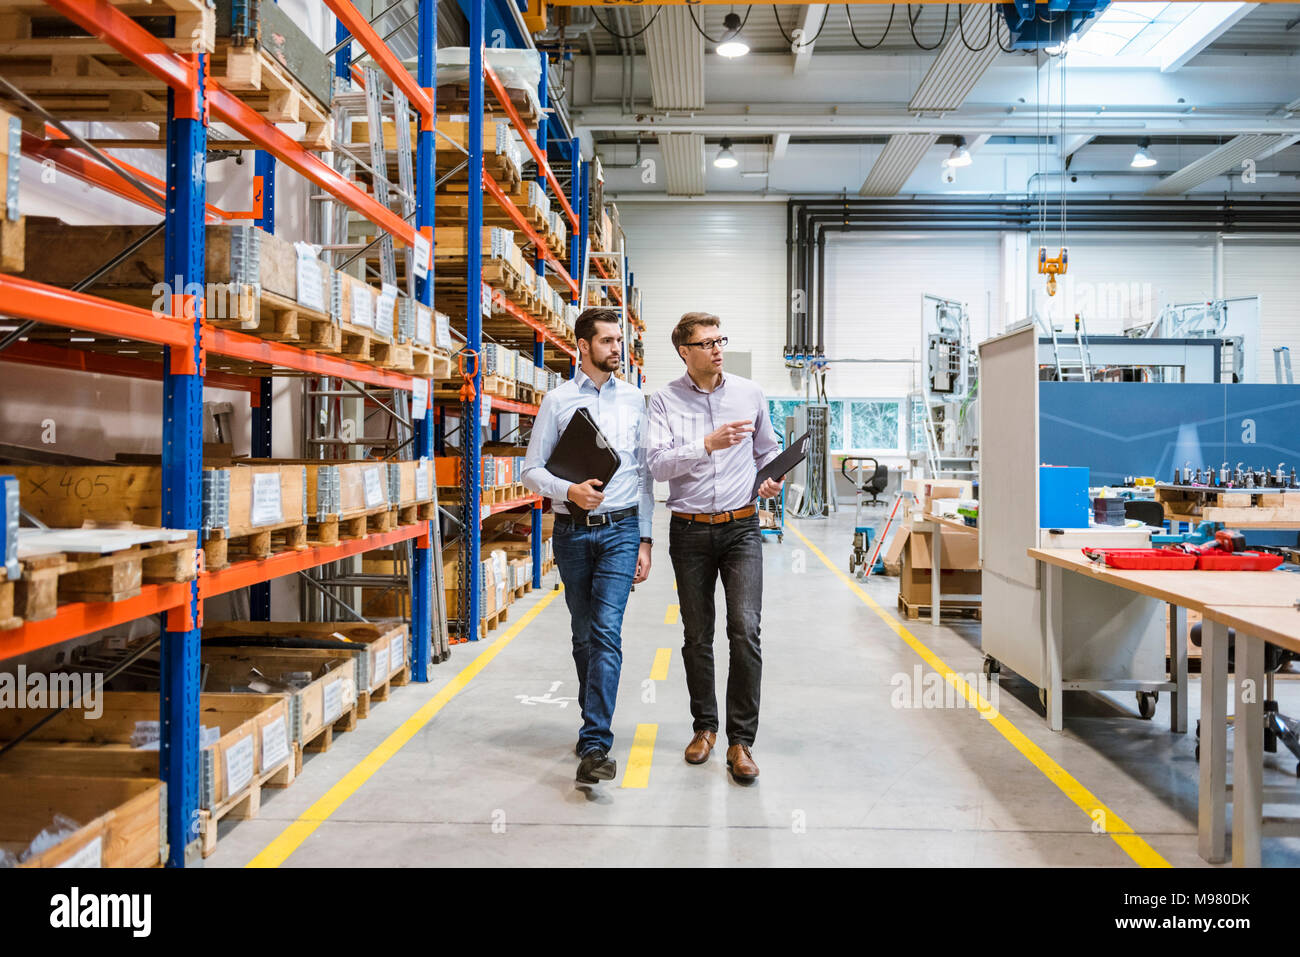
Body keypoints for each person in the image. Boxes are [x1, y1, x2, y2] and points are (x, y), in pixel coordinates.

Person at [645, 312, 782, 783]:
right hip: (689, 531)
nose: (717, 349)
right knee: (696, 635)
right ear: (684, 351)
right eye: (705, 343)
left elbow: (767, 450)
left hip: (742, 528)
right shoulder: (663, 400)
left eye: (720, 340)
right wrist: (706, 444)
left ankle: (741, 742)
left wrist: (771, 478)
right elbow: (658, 465)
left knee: (745, 629)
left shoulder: (750, 393)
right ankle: (705, 728)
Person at [522, 307, 653, 785]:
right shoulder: (557, 401)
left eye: (620, 341)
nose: (617, 349)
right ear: (582, 345)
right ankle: (591, 719)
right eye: (607, 341)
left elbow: (643, 476)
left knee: (606, 632)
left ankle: (596, 740)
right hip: (572, 531)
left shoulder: (637, 400)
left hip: (620, 529)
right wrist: (567, 490)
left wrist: (645, 538)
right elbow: (531, 469)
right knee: (583, 634)